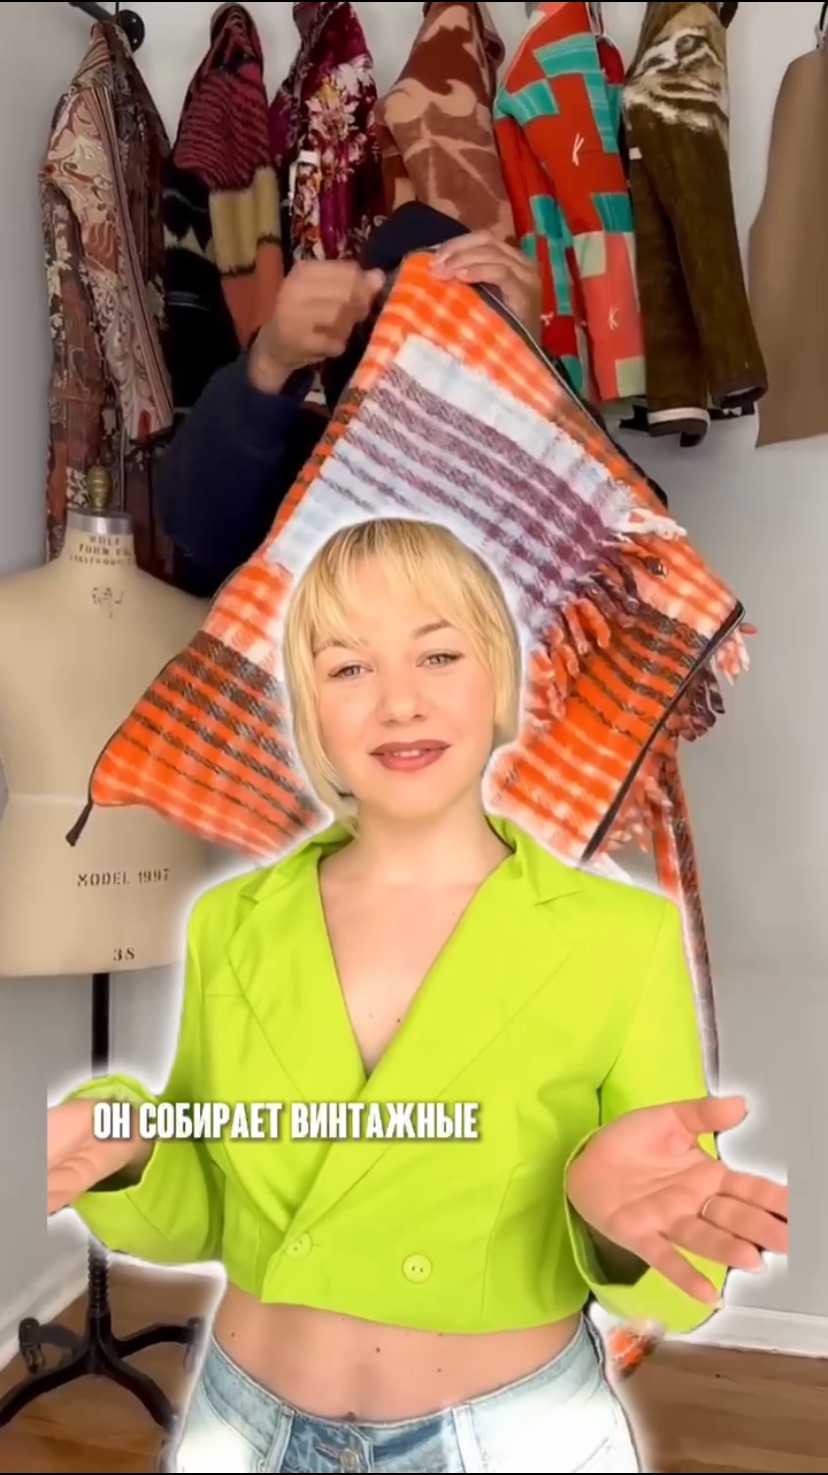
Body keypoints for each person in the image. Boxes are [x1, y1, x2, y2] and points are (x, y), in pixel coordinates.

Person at [47, 518, 787, 1474]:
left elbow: (682, 1272)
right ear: (310, 707)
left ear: (498, 681)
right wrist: (128, 1145)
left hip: (512, 1444)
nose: (399, 702)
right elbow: (206, 1205)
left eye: (439, 654)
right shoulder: (232, 923)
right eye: (349, 667)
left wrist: (612, 1229)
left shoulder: (621, 938)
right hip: (242, 1430)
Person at [156, 214, 543, 598]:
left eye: (455, 322)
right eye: (402, 315)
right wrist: (270, 361)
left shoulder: (522, 465)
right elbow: (194, 523)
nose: (428, 347)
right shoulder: (308, 467)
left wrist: (532, 383)